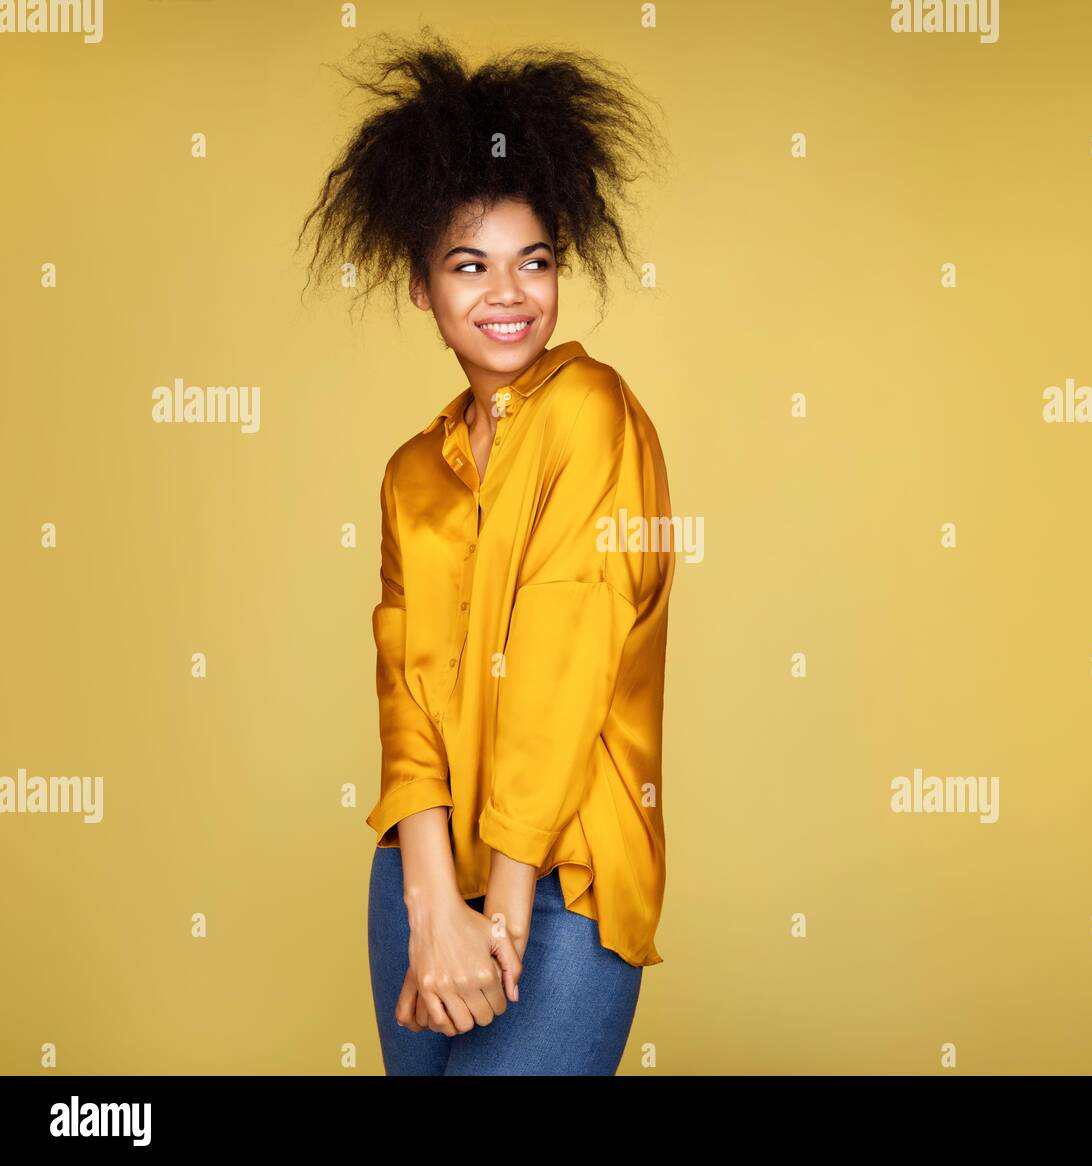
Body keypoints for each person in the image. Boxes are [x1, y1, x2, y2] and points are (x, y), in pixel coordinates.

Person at [297, 29, 674, 1075]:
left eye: (533, 261)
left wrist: (495, 919)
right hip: (417, 884)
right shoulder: (413, 471)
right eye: (470, 264)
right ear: (422, 285)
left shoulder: (589, 412)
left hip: (557, 879)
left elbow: (563, 665)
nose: (507, 294)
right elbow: (403, 694)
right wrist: (428, 900)